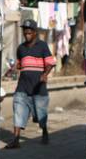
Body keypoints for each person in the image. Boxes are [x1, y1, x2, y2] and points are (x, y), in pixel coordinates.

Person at [5, 18, 55, 149]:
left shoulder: (42, 46)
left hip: (39, 87)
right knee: (18, 109)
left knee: (40, 115)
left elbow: (50, 62)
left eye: (29, 32)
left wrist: (44, 74)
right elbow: (20, 65)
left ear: (35, 33)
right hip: (23, 86)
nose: (27, 34)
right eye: (25, 32)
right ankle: (16, 139)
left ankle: (44, 131)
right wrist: (16, 67)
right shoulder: (20, 48)